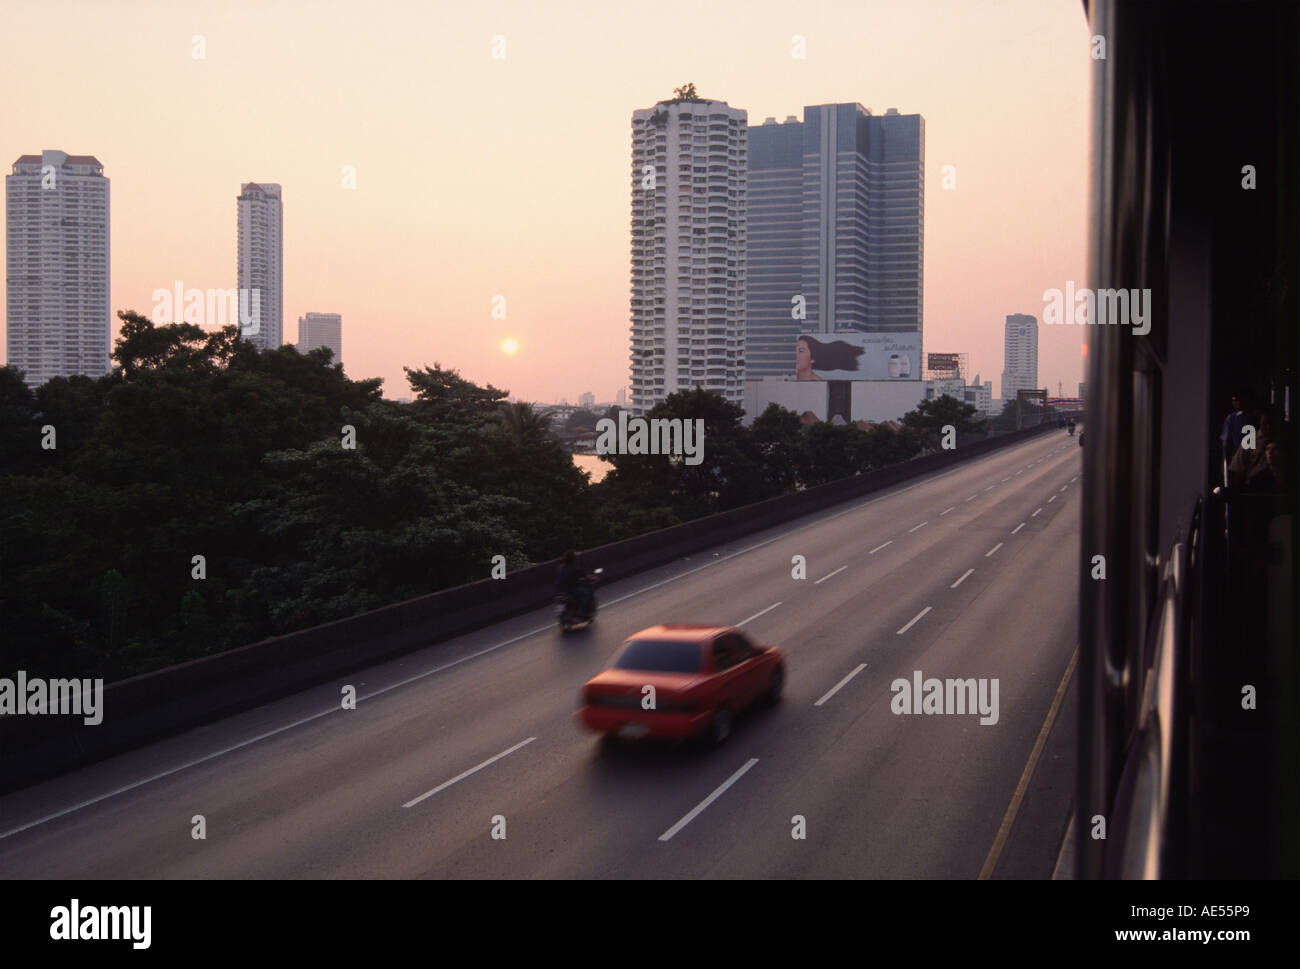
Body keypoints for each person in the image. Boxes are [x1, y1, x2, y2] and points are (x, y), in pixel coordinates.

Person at [555, 549, 593, 616]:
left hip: (560, 591)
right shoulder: (575, 568)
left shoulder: (560, 568)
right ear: (573, 559)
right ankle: (581, 611)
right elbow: (586, 576)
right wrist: (594, 578)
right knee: (588, 593)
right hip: (571, 591)